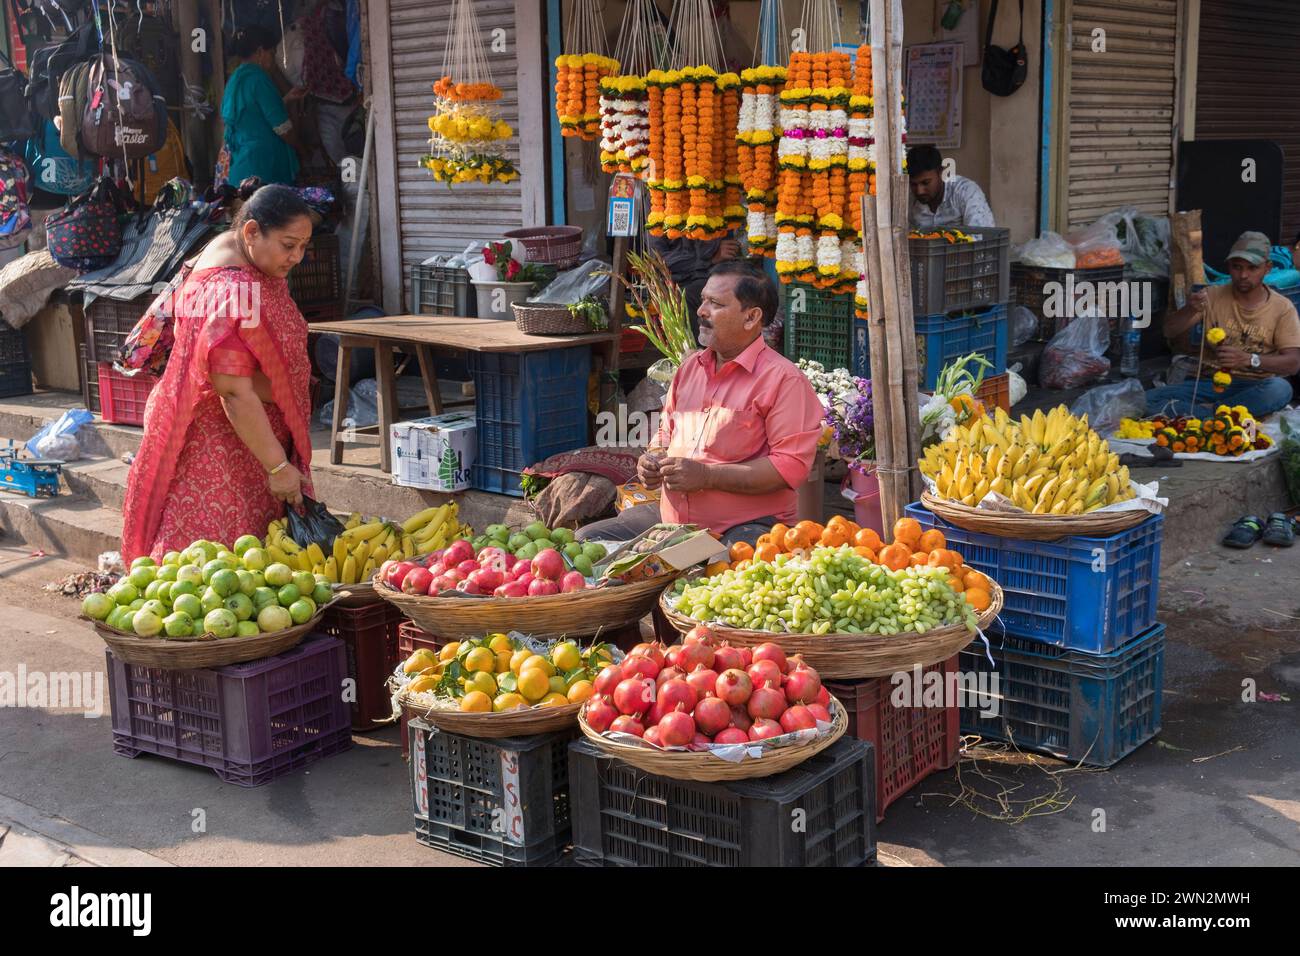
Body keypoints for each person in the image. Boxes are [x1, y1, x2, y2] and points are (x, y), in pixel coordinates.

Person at [121, 184, 317, 560]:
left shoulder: (237, 256)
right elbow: (232, 391)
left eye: (303, 246)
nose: (297, 257)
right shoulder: (232, 290)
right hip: (224, 446)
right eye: (289, 245)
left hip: (241, 438)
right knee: (220, 560)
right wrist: (277, 466)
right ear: (251, 232)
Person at [578, 259, 824, 547]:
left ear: (751, 317)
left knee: (720, 573)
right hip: (673, 520)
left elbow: (789, 469)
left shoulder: (783, 380)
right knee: (586, 542)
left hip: (746, 527)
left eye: (716, 304)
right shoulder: (690, 369)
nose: (701, 311)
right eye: (703, 300)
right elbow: (665, 433)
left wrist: (707, 476)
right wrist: (653, 459)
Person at [1147, 231, 1300, 418]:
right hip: (1209, 383)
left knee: (1280, 389)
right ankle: (1218, 414)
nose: (1243, 275)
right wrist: (1190, 309)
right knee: (1147, 399)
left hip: (1254, 386)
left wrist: (1248, 359)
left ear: (1267, 268)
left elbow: (1293, 364)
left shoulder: (1282, 308)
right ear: (1229, 267)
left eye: (1252, 268)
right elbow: (1169, 331)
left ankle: (1207, 413)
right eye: (1237, 267)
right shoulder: (1211, 295)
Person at [220, 26, 306, 186]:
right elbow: (283, 129)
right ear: (260, 52)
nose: (273, 60)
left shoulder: (235, 79)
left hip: (240, 167)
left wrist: (286, 99)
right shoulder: (259, 79)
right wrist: (302, 149)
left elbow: (252, 114)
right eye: (272, 53)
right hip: (263, 168)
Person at [648, 233, 740, 337]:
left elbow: (728, 252)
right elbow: (659, 260)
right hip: (679, 283)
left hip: (715, 277)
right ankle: (700, 351)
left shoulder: (716, 219)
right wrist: (709, 259)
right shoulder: (660, 221)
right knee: (687, 297)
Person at [907, 144, 994, 229]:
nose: (919, 191)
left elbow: (981, 237)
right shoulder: (909, 198)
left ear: (941, 173)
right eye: (913, 184)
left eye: (926, 183)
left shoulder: (965, 191)